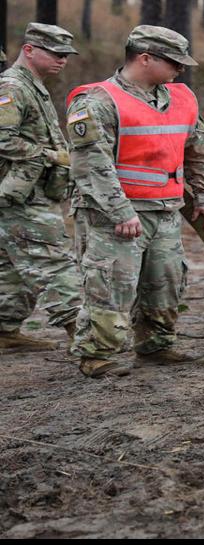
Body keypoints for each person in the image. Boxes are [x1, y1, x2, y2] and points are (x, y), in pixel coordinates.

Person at [65, 25, 204, 377]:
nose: (180, 69)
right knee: (110, 285)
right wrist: (119, 210)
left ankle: (155, 345)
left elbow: (198, 154)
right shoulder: (97, 101)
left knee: (165, 281)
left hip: (166, 210)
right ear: (145, 58)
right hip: (116, 215)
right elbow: (92, 164)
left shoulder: (182, 98)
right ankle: (97, 356)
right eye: (173, 62)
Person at [0, 23, 81, 352]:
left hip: (29, 191)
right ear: (29, 50)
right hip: (23, 195)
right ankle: (88, 341)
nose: (62, 60)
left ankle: (5, 331)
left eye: (66, 55)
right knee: (52, 262)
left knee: (10, 265)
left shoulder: (32, 85)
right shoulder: (12, 86)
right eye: (55, 53)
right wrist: (49, 155)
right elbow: (3, 138)